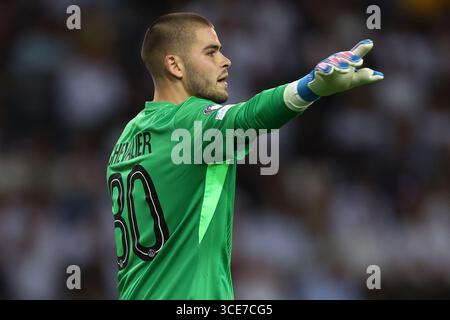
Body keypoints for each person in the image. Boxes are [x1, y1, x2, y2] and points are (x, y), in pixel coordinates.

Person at [106, 12, 383, 300]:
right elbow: (250, 115)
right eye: (211, 52)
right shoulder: (187, 123)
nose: (226, 61)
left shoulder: (125, 138)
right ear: (175, 65)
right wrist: (311, 85)